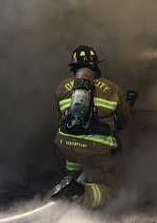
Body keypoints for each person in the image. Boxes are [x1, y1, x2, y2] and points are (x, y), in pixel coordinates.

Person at [53, 45, 133, 210]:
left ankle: (70, 179)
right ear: (96, 66)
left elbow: (60, 115)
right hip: (94, 149)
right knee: (110, 191)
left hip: (66, 144)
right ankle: (79, 194)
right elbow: (125, 119)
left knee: (74, 158)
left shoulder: (62, 87)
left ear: (74, 67)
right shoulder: (111, 88)